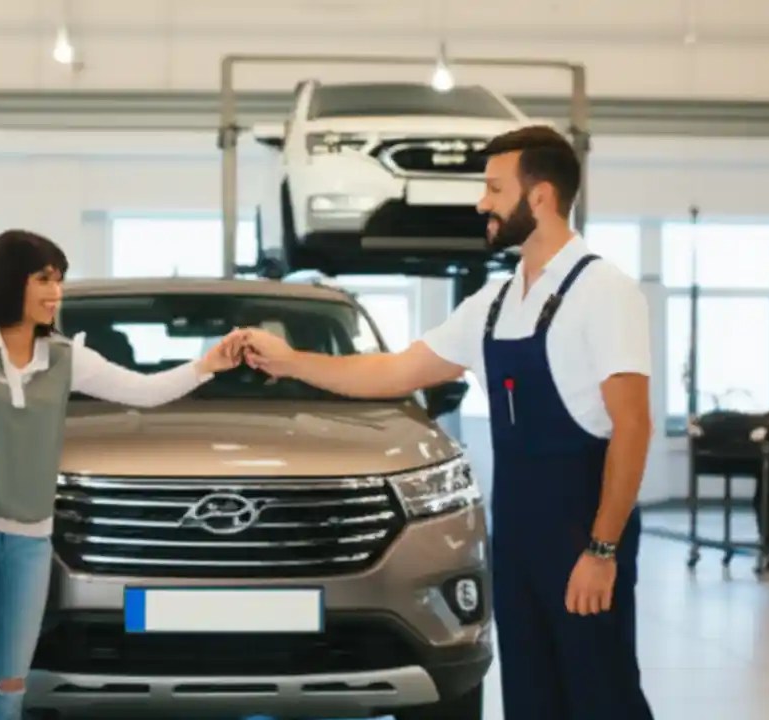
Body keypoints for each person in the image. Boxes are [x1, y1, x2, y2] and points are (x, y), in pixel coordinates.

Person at [236, 126, 656, 720]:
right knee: (531, 701)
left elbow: (633, 426)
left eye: (494, 189)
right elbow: (393, 371)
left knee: (601, 696)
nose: (482, 203)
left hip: (581, 538)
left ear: (539, 197)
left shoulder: (605, 292)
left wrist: (602, 550)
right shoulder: (494, 304)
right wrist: (290, 361)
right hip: (516, 542)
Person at [0, 229, 245, 720]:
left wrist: (207, 365)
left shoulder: (63, 356)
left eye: (59, 279)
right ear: (10, 281)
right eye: (43, 279)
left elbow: (143, 391)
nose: (55, 291)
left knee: (8, 686)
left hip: (32, 543)